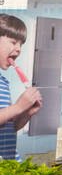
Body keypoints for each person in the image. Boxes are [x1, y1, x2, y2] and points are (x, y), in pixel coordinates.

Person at [0, 14, 42, 161]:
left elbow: (9, 128)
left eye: (21, 45)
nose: (18, 49)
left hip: (9, 165)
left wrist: (26, 112)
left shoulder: (3, 82)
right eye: (13, 42)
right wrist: (18, 107)